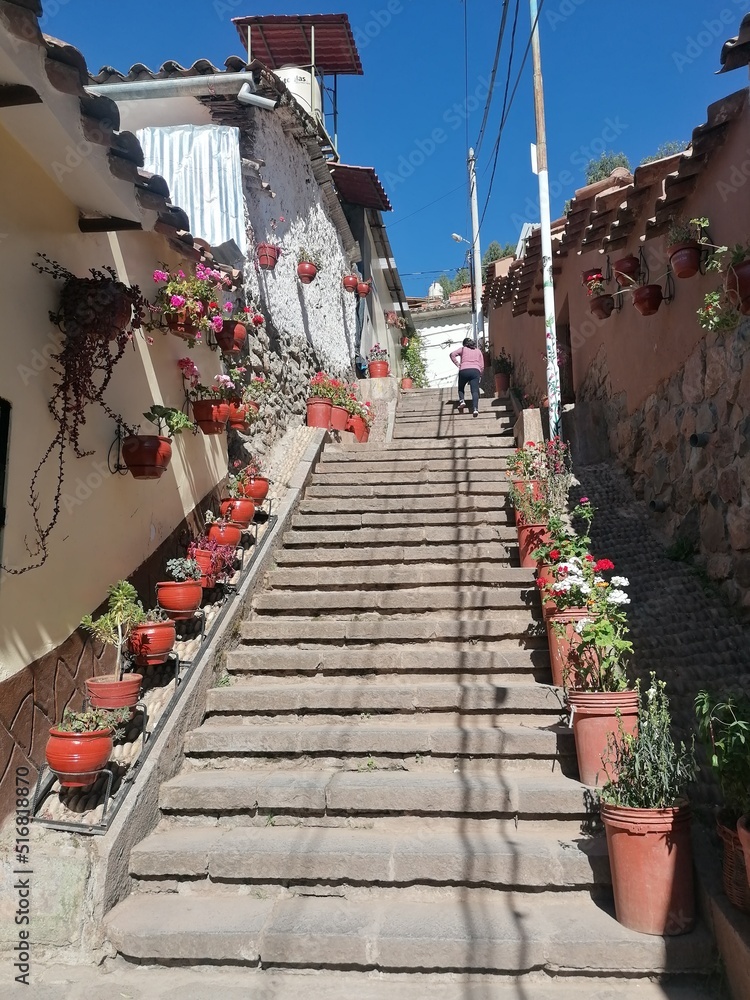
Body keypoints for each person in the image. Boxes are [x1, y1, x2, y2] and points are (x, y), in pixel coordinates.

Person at [450, 337, 485, 416]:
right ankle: (475, 409)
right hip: (475, 371)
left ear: (465, 344)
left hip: (464, 370)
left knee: (461, 387)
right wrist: (480, 375)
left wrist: (458, 364)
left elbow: (452, 354)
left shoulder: (463, 349)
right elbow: (482, 366)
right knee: (475, 391)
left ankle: (462, 400)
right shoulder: (478, 351)